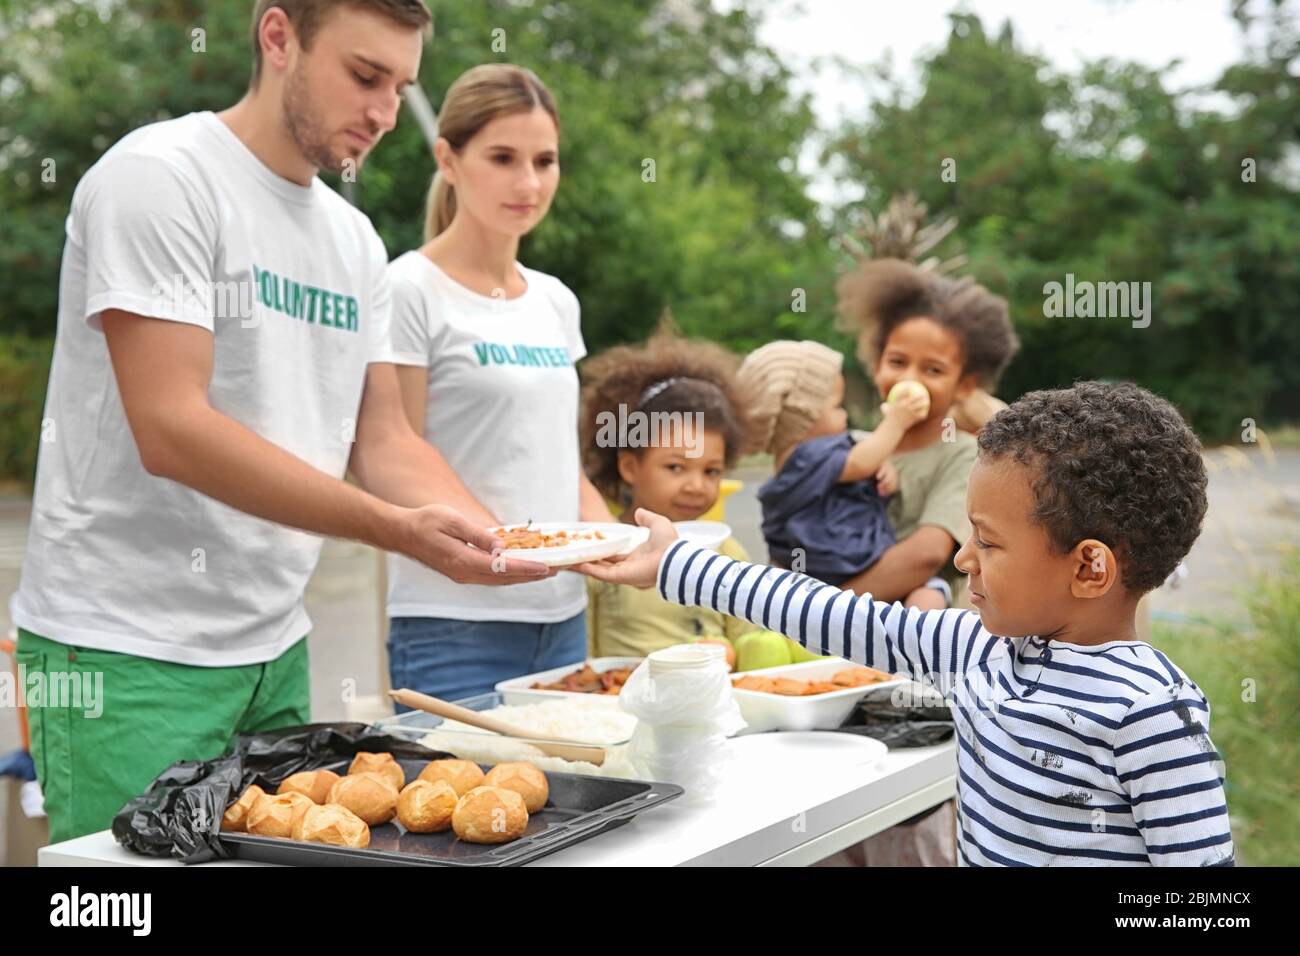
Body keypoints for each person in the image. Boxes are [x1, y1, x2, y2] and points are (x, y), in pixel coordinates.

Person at [10, 0, 548, 844]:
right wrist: (396, 530)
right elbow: (172, 429)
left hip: (275, 650)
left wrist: (513, 546)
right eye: (364, 75)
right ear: (277, 37)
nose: (382, 110)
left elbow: (386, 442)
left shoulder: (355, 241)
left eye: (399, 85)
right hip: (129, 653)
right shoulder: (160, 176)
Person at [580, 381, 1234, 866]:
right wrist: (678, 564)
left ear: (1090, 569)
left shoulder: (1152, 711)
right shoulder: (979, 647)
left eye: (988, 542)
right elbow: (836, 616)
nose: (961, 557)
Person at [384, 64, 614, 702]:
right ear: (448, 159)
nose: (529, 182)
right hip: (452, 622)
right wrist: (498, 547)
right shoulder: (407, 289)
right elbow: (391, 449)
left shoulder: (555, 301)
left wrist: (613, 540)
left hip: (562, 620)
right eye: (503, 158)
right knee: (460, 803)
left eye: (545, 160)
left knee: (564, 803)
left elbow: (557, 462)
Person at [833, 258, 1020, 609]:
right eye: (898, 362)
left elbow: (926, 554)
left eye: (932, 369)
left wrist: (823, 609)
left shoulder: (964, 456)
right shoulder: (850, 447)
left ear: (964, 385)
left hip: (905, 624)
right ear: (876, 364)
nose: (910, 379)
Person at [579, 328, 753, 659]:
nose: (696, 486)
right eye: (675, 467)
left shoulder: (728, 553)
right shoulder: (604, 552)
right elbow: (583, 661)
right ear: (630, 467)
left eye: (711, 471)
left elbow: (754, 646)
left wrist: (733, 653)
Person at [737, 339, 945, 607]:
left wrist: (881, 466)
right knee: (929, 592)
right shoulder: (803, 458)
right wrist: (897, 420)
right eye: (837, 407)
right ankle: (915, 644)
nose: (845, 415)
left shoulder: (809, 460)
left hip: (830, 571)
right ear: (803, 418)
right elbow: (859, 463)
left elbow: (859, 462)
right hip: (851, 567)